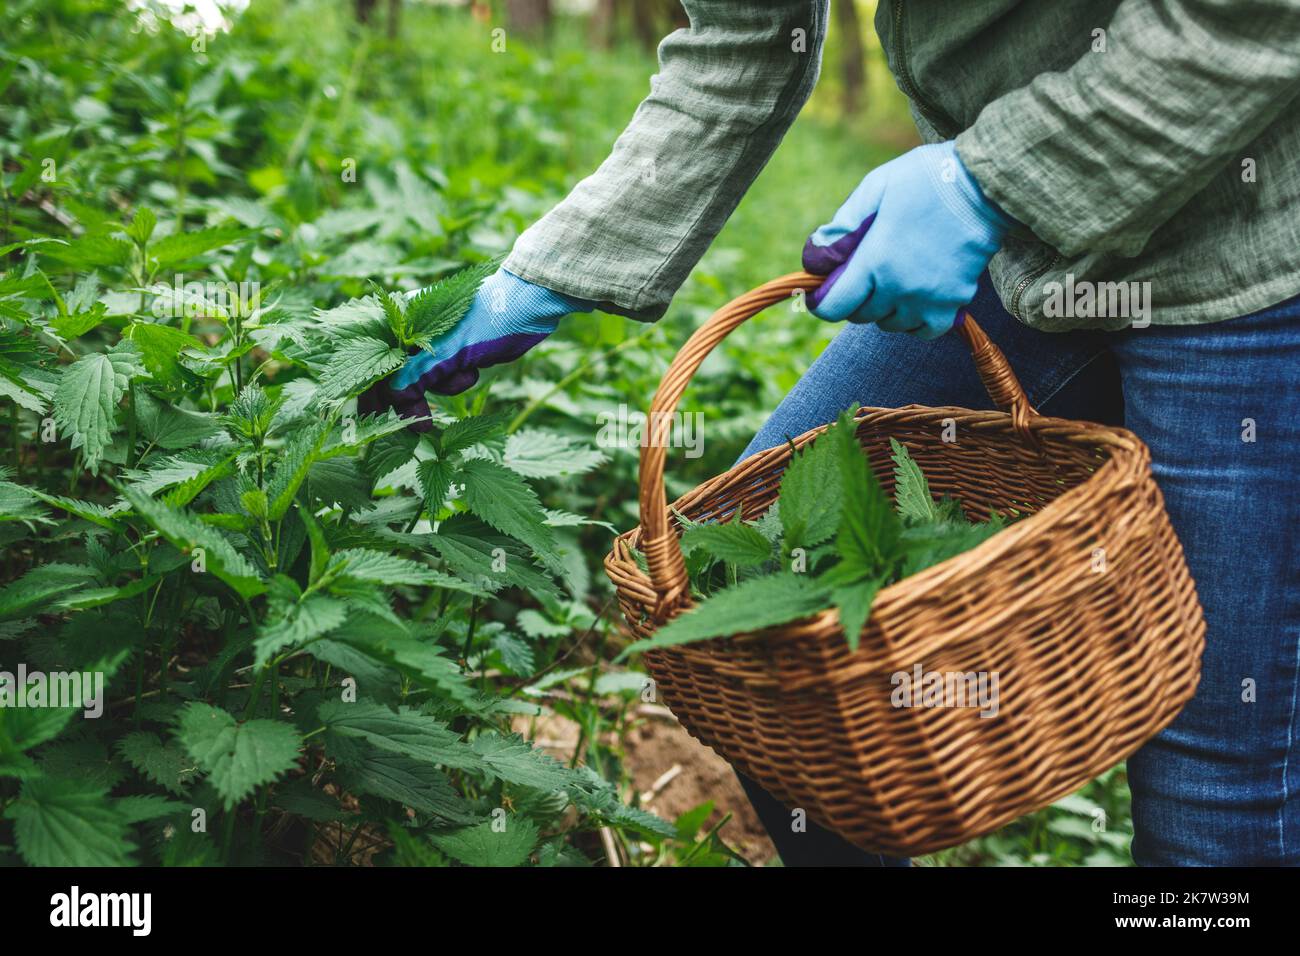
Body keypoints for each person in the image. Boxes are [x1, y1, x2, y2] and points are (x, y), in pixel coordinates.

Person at [364, 1, 1300, 866]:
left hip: (1249, 236)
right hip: (1022, 249)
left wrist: (992, 181)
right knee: (776, 632)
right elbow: (749, 41)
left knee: (1214, 776)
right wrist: (544, 277)